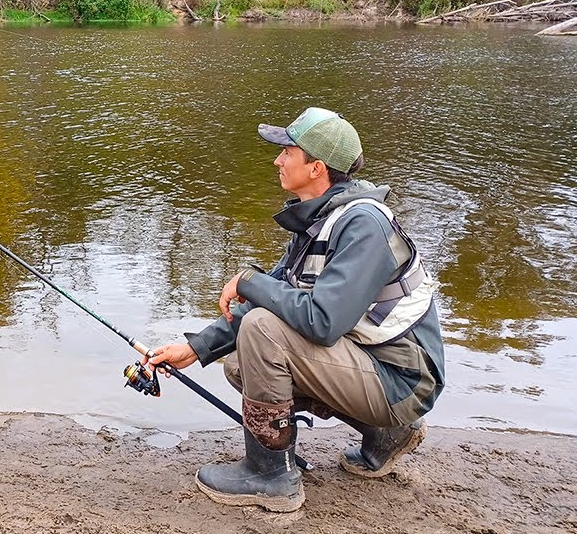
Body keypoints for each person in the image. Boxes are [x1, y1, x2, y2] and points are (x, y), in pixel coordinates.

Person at [145, 106, 445, 513]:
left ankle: (271, 476)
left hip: (402, 379)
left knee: (263, 332)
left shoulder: (363, 226)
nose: (277, 160)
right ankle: (385, 435)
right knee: (240, 361)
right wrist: (195, 349)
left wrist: (249, 280)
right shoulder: (322, 219)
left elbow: (321, 322)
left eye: (288, 152)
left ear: (316, 168)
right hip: (370, 363)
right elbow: (279, 296)